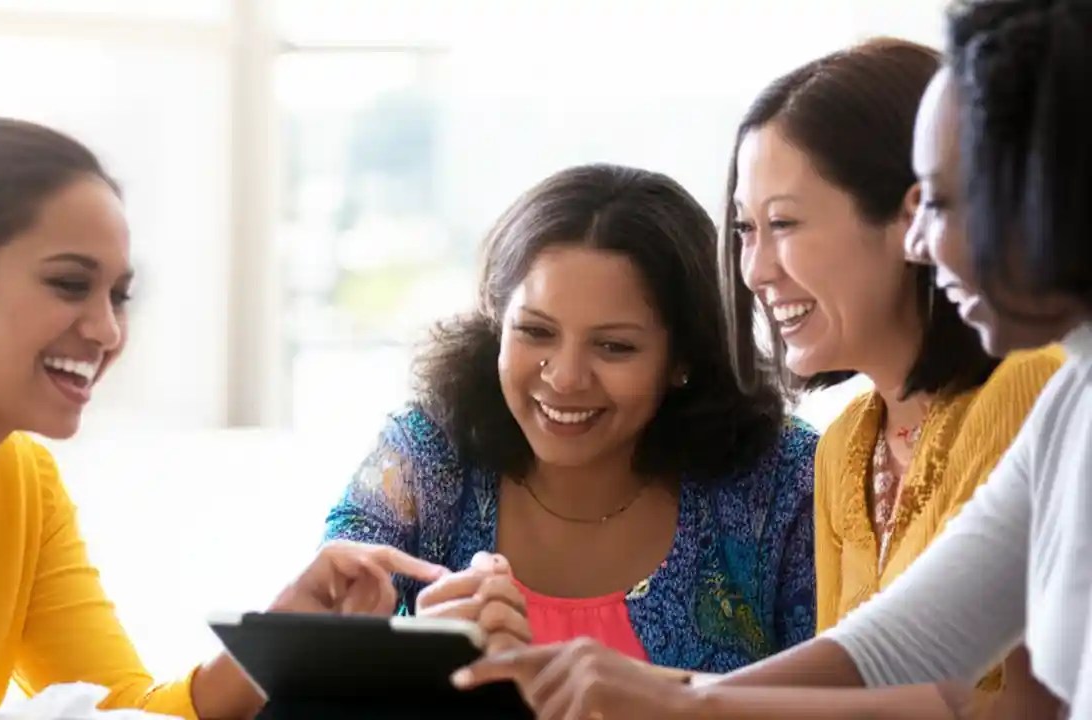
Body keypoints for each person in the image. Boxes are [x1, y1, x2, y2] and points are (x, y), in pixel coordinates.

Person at [453, 1, 1092, 717]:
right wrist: (634, 689)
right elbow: (898, 651)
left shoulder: (1039, 387)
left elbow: (978, 703)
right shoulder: (1064, 404)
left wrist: (681, 703)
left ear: (1049, 186)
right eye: (745, 229)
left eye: (941, 202)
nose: (922, 240)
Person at [0, 116, 447, 720]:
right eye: (68, 284)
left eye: (118, 296)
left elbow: (123, 709)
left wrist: (285, 641)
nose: (107, 330)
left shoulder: (21, 480)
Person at [323, 163, 819, 672]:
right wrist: (412, 660)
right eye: (536, 332)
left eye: (613, 346)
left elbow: (851, 697)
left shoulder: (785, 483)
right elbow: (311, 657)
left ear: (683, 360)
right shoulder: (423, 457)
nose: (565, 377)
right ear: (498, 324)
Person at [723, 36, 1061, 648]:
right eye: (746, 228)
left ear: (912, 215)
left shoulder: (1030, 390)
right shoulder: (845, 447)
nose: (755, 269)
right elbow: (837, 699)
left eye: (783, 224)